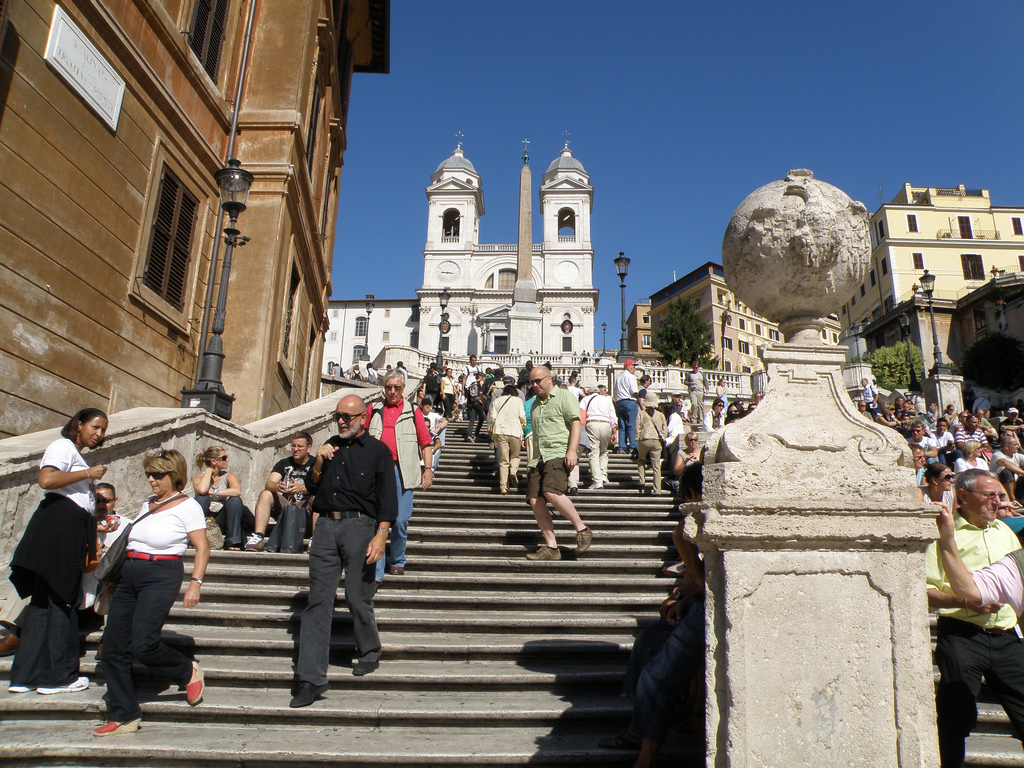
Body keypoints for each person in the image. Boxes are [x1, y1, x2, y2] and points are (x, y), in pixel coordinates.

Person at [290, 395, 397, 707]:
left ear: (363, 418)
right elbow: (310, 488)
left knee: (356, 596)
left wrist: (381, 536)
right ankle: (311, 679)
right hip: (325, 526)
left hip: (360, 527)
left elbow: (388, 499)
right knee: (317, 602)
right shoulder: (328, 448)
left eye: (348, 417)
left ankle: (369, 650)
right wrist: (320, 461)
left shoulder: (378, 451)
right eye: (338, 416)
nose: (342, 422)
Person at [96, 448, 209, 736]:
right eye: (149, 473)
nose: (151, 479)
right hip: (130, 572)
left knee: (143, 644)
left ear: (175, 476)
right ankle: (125, 714)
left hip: (161, 573)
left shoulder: (188, 506)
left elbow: (202, 547)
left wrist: (195, 584)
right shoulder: (148, 503)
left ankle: (186, 671)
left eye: (158, 474)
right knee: (112, 647)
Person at [8, 408, 108, 696]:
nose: (99, 434)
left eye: (103, 430)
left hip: (58, 529)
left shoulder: (71, 452)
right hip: (61, 530)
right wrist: (89, 473)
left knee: (43, 605)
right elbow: (47, 480)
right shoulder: (63, 446)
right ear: (78, 424)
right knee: (64, 600)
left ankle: (24, 675)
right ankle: (59, 677)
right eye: (95, 427)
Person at [928, 469, 1024, 767]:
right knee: (955, 718)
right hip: (962, 635)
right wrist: (966, 601)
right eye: (990, 495)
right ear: (963, 496)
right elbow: (924, 591)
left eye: (1000, 495)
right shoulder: (940, 534)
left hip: (1007, 636)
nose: (997, 502)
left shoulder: (1006, 532)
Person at [366, 370, 433, 580]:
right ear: (383, 388)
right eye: (388, 387)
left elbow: (425, 443)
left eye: (396, 387)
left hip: (402, 471)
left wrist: (428, 469)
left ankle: (397, 559)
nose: (392, 391)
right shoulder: (373, 409)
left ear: (403, 389)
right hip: (376, 471)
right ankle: (376, 572)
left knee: (401, 520)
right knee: (378, 520)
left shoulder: (413, 412)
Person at [523, 366, 593, 561]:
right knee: (535, 499)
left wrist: (572, 451)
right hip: (539, 457)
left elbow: (576, 422)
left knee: (551, 491)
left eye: (538, 381)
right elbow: (537, 436)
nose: (535, 385)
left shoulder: (563, 396)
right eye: (532, 382)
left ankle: (582, 529)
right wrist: (531, 463)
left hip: (558, 452)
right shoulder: (534, 405)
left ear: (549, 379)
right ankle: (551, 547)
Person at [248, 433, 316, 554]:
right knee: (266, 494)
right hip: (287, 507)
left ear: (309, 448)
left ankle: (315, 538)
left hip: (307, 508)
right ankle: (258, 537)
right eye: (293, 446)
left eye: (299, 446)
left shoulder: (315, 463)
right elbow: (269, 483)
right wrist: (278, 486)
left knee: (318, 496)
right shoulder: (284, 463)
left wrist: (303, 488)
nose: (295, 449)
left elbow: (324, 486)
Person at [489, 384, 526, 494]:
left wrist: (498, 425)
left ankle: (503, 487)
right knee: (515, 456)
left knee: (504, 460)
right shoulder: (518, 401)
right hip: (515, 431)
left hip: (501, 431)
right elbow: (522, 417)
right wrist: (522, 426)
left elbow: (493, 418)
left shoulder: (497, 401)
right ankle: (513, 472)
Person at [581, 384, 615, 490]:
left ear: (588, 393)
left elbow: (581, 414)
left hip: (592, 424)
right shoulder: (607, 400)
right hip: (606, 424)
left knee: (593, 453)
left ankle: (597, 481)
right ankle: (603, 475)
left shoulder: (585, 399)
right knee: (604, 451)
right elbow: (613, 416)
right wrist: (614, 432)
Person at [636, 392, 667, 496]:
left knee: (641, 460)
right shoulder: (661, 415)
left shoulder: (641, 413)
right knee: (656, 466)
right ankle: (657, 490)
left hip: (644, 439)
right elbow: (664, 430)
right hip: (656, 441)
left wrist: (637, 439)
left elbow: (638, 428)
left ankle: (641, 481)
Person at [613, 360, 640, 455]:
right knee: (631, 425)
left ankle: (622, 447)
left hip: (619, 402)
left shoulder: (618, 378)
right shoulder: (631, 377)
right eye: (633, 366)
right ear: (628, 367)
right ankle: (633, 447)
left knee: (622, 426)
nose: (634, 369)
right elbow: (634, 391)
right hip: (629, 401)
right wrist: (638, 398)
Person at [419, 396, 448, 472]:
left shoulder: (433, 415)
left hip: (431, 435)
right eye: (425, 404)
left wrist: (438, 428)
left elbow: (445, 421)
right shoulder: (418, 415)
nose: (428, 406)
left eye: (429, 404)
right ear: (421, 406)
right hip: (420, 436)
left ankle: (432, 469)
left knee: (443, 428)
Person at [685, 360, 706, 426]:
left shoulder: (701, 374)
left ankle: (701, 419)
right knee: (694, 405)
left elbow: (705, 382)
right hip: (693, 391)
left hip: (700, 391)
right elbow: (685, 382)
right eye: (694, 368)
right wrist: (689, 383)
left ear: (699, 367)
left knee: (700, 406)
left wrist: (707, 389)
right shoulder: (690, 374)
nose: (695, 369)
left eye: (696, 368)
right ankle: (693, 419)